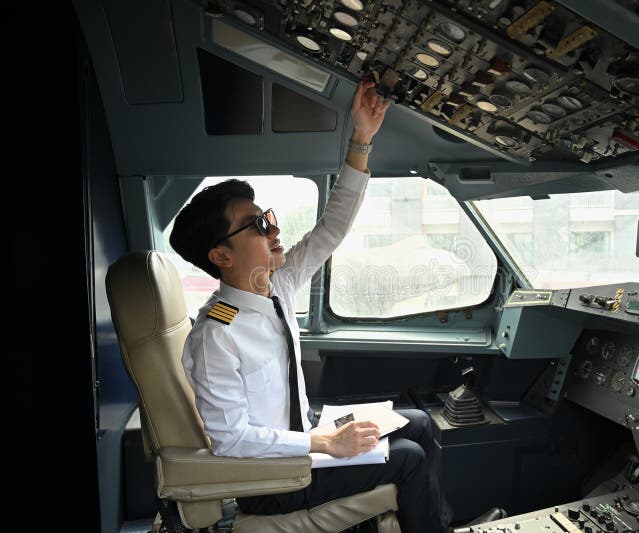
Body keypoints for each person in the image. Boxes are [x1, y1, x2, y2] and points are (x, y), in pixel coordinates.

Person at [169, 80, 463, 532]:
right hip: (271, 480)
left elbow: (331, 229)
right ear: (220, 256)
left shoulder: (277, 285)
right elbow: (231, 440)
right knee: (409, 459)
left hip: (303, 433)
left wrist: (361, 139)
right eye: (256, 226)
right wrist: (324, 442)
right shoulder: (216, 335)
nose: (273, 229)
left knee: (420, 423)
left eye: (267, 217)